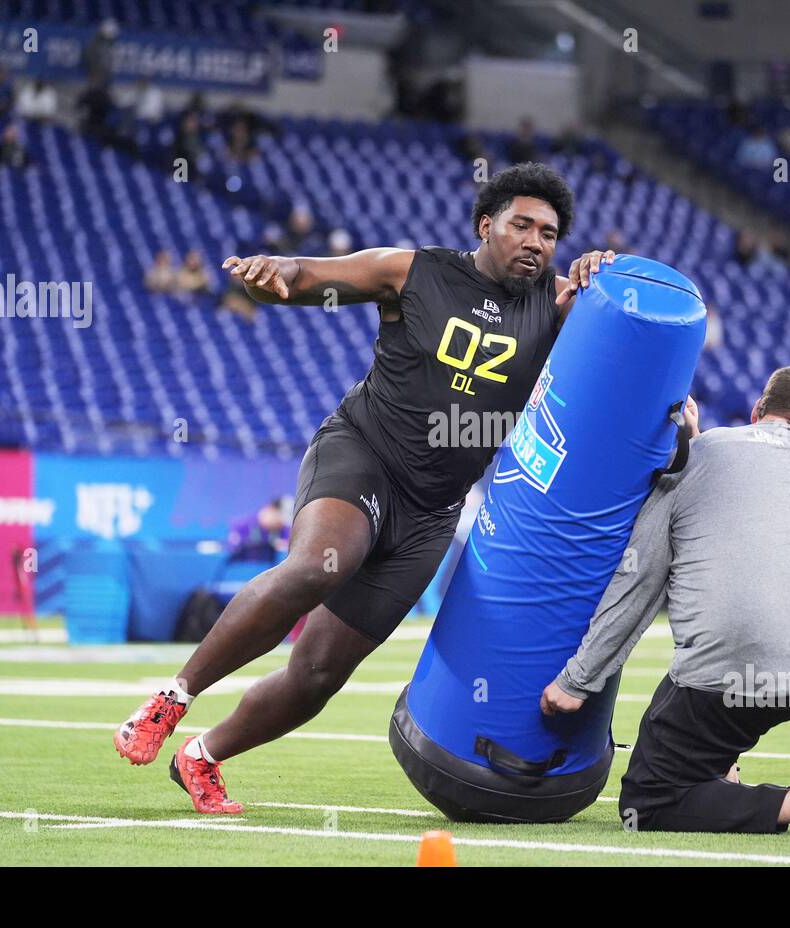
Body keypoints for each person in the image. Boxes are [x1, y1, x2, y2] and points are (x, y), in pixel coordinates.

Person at [113, 162, 615, 813]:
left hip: (433, 511)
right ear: (484, 224)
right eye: (522, 225)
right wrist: (275, 276)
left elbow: (617, 340)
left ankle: (202, 756)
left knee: (320, 674)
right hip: (364, 455)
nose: (536, 242)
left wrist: (608, 278)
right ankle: (172, 698)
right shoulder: (412, 271)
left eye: (549, 234)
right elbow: (307, 276)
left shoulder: (560, 306)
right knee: (317, 567)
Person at [540, 366, 790, 840]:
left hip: (739, 656)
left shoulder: (702, 454)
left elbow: (640, 577)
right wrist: (696, 451)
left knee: (650, 800)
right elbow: (752, 522)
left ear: (757, 410)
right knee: (719, 715)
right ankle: (723, 772)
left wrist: (579, 680)